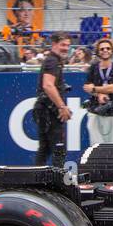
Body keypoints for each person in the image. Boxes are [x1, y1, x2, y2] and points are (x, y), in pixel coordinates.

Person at [33, 32, 73, 168]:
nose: (66, 48)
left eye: (68, 45)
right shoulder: (52, 61)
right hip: (48, 110)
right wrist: (62, 106)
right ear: (54, 44)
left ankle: (37, 180)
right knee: (58, 149)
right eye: (62, 45)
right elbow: (48, 85)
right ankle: (58, 181)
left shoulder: (54, 61)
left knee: (45, 149)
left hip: (44, 108)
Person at [83, 37, 113, 145]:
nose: (105, 50)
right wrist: (99, 94)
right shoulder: (93, 68)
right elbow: (87, 87)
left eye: (108, 48)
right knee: (96, 144)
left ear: (112, 51)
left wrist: (95, 89)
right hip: (95, 110)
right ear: (97, 52)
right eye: (102, 49)